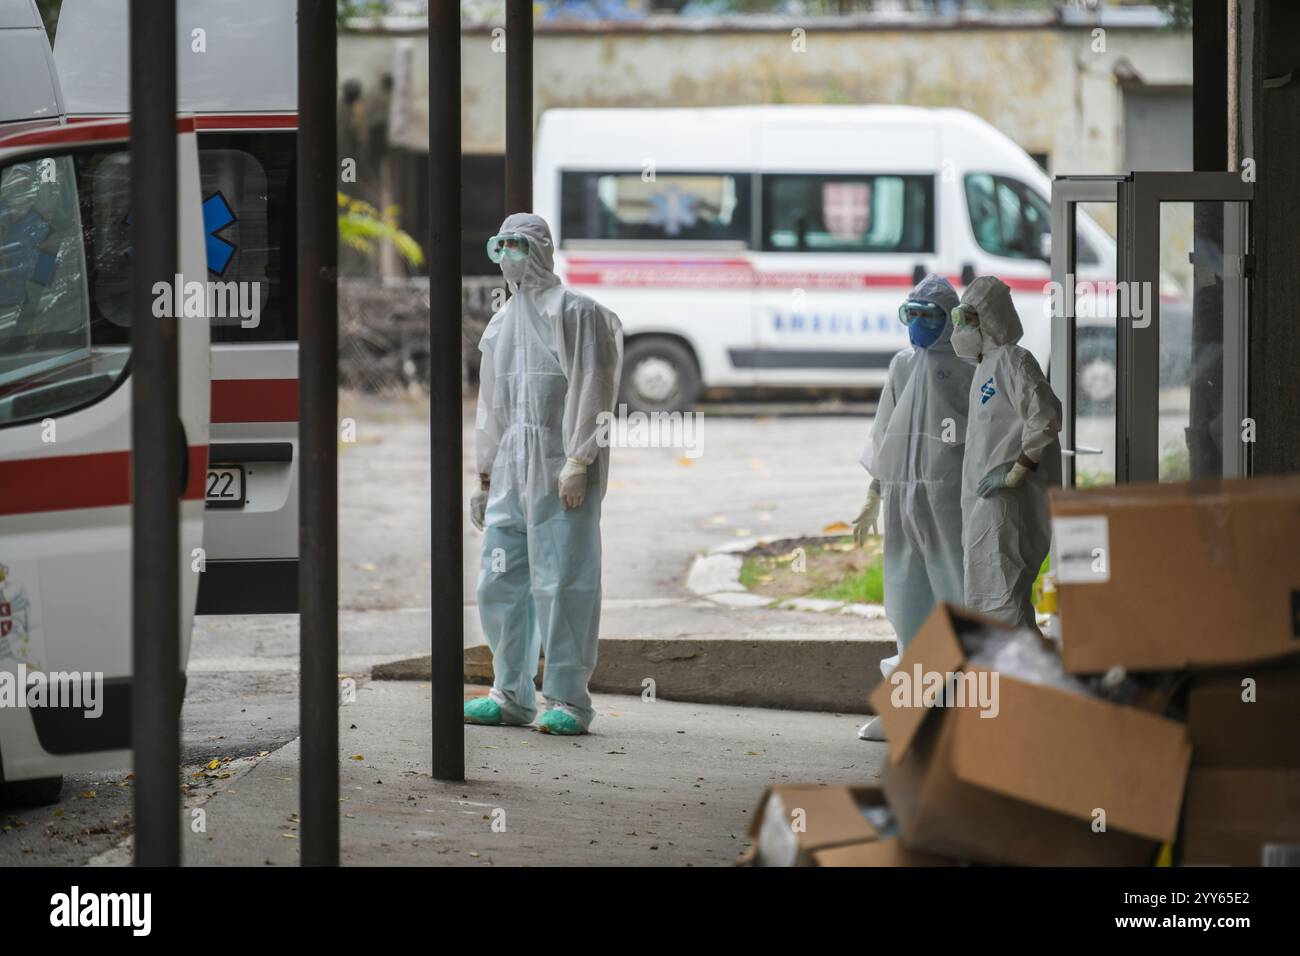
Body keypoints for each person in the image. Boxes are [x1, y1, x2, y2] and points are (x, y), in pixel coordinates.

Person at [465, 213, 624, 736]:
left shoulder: (577, 313)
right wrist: (485, 477)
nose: (508, 255)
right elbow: (491, 406)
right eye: (500, 245)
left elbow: (593, 387)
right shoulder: (501, 323)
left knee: (564, 581)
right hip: (513, 463)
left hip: (560, 461)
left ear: (539, 249)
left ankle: (568, 699)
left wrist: (581, 457)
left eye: (516, 244)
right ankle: (510, 692)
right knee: (499, 579)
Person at [854, 273, 973, 741]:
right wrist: (873, 494)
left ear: (951, 319)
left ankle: (962, 710)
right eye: (913, 314)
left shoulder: (971, 366)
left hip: (951, 502)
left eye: (930, 315)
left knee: (957, 599)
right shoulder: (903, 365)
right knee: (907, 604)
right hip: (906, 499)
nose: (920, 324)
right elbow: (886, 429)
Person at [950, 275, 1062, 628]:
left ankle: (1021, 676)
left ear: (989, 318)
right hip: (986, 501)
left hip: (1008, 503)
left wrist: (1016, 471)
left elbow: (1045, 417)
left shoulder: (1015, 360)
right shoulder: (986, 365)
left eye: (968, 319)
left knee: (1005, 598)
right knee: (987, 596)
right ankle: (1005, 675)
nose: (960, 328)